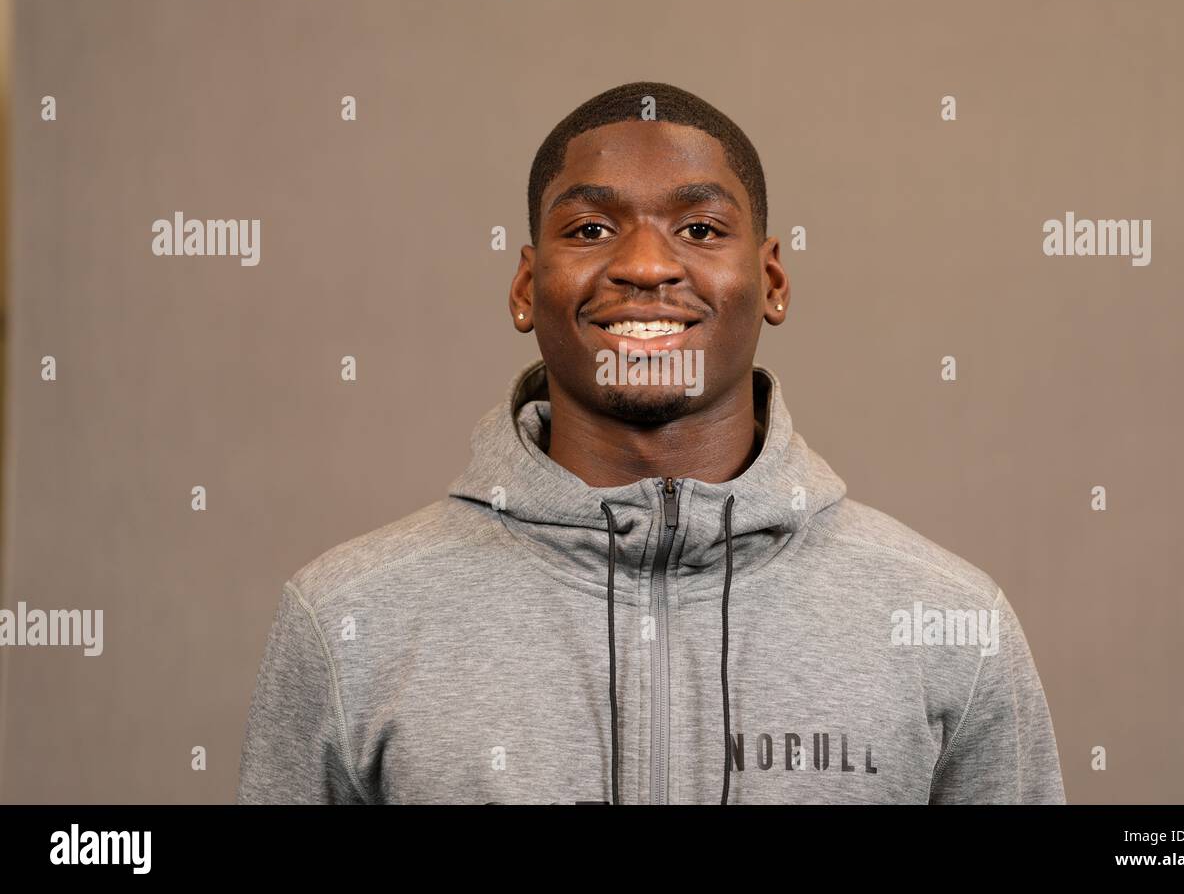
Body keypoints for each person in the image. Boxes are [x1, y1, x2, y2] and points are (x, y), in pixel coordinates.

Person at [237, 81, 1066, 804]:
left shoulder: (950, 621)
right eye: (592, 230)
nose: (644, 265)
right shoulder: (351, 617)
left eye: (700, 230)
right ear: (527, 287)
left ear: (771, 281)